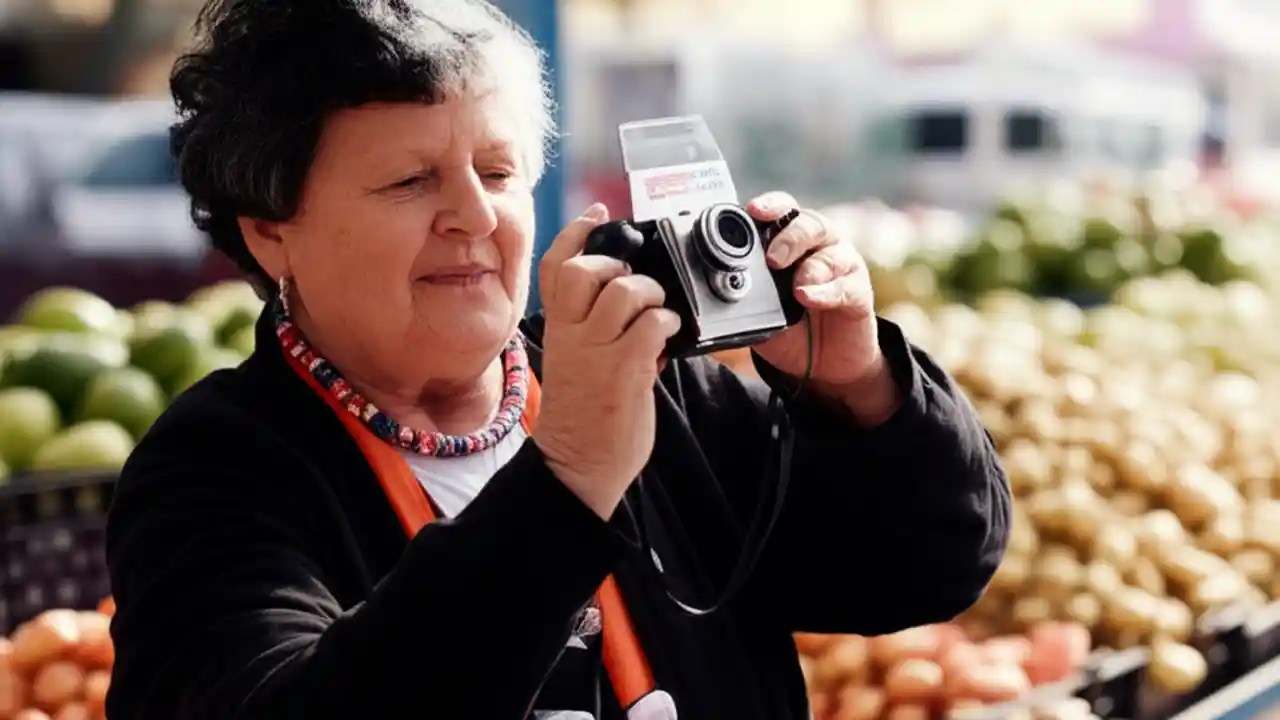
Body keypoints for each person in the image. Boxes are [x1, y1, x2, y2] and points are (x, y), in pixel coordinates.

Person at [103, 1, 1012, 718]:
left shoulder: (651, 387)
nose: (474, 215)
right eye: (411, 181)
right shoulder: (215, 471)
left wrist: (856, 383)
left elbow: (926, 565)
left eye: (499, 173)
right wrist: (569, 472)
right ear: (271, 232)